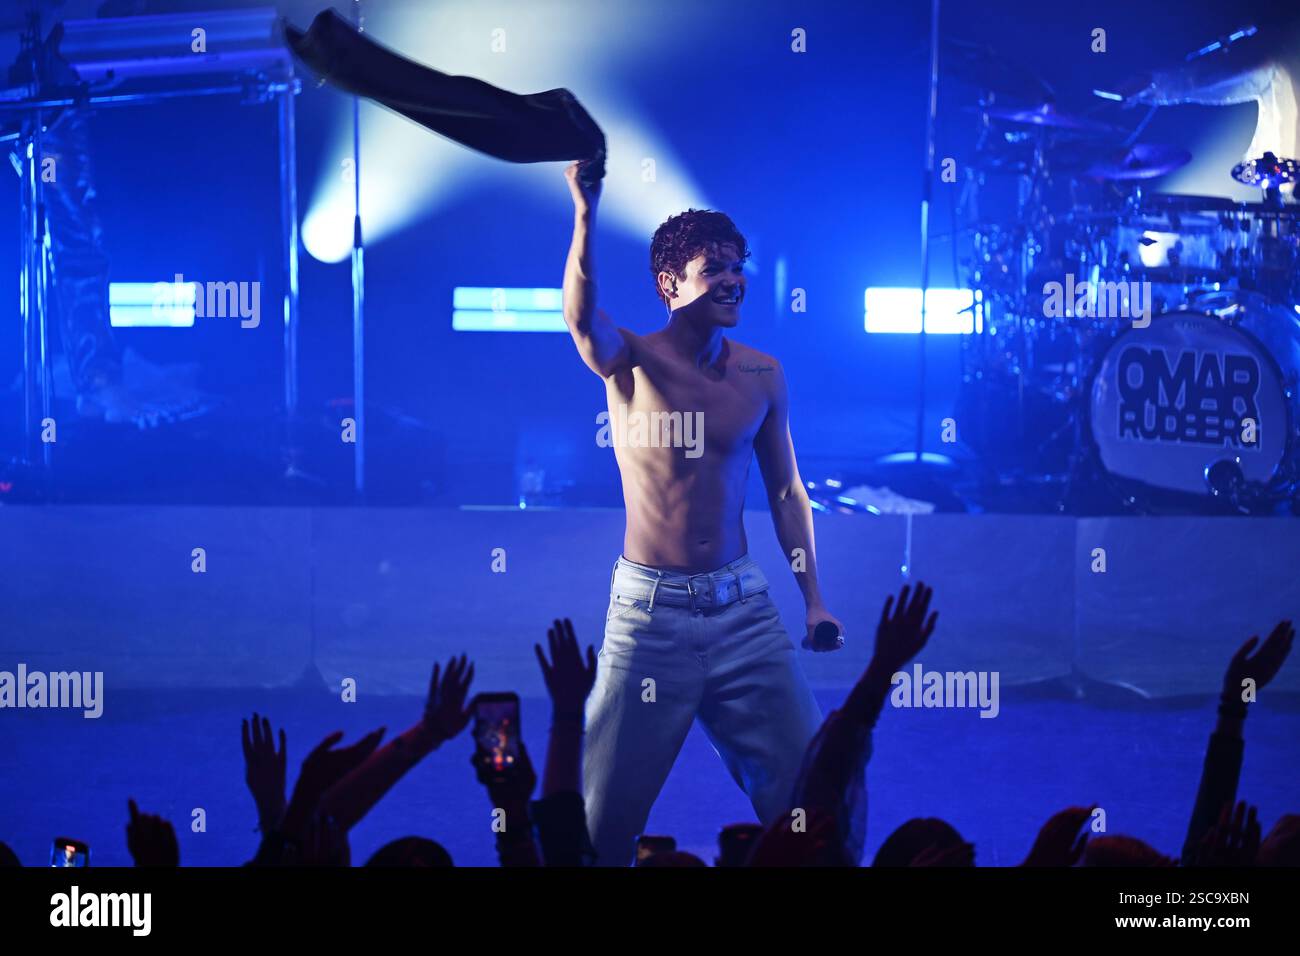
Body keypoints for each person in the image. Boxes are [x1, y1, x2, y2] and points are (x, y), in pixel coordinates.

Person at [561, 160, 843, 866]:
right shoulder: (631, 361)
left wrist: (813, 601)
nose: (731, 278)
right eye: (713, 266)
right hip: (649, 618)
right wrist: (588, 209)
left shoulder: (762, 374)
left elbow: (786, 494)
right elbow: (580, 313)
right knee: (602, 825)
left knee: (812, 805)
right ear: (670, 285)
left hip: (743, 611)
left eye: (737, 265)